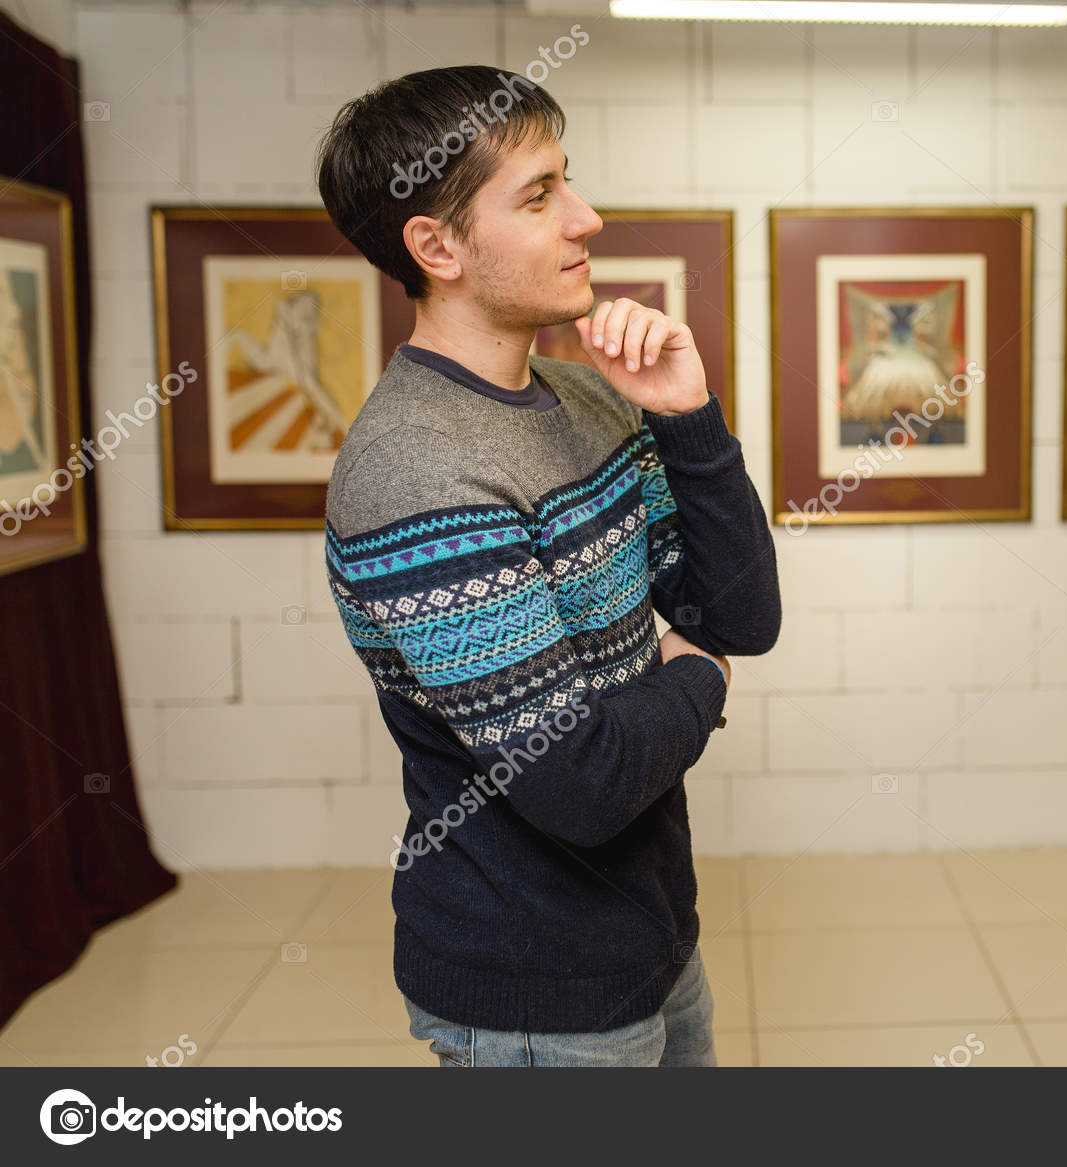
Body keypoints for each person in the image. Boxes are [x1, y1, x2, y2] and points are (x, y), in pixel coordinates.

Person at [315, 65, 781, 1067]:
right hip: (534, 997)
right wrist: (697, 674)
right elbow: (576, 782)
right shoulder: (415, 469)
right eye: (539, 196)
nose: (588, 218)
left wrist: (686, 418)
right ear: (436, 246)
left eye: (568, 180)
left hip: (654, 935)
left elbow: (738, 615)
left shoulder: (592, 399)